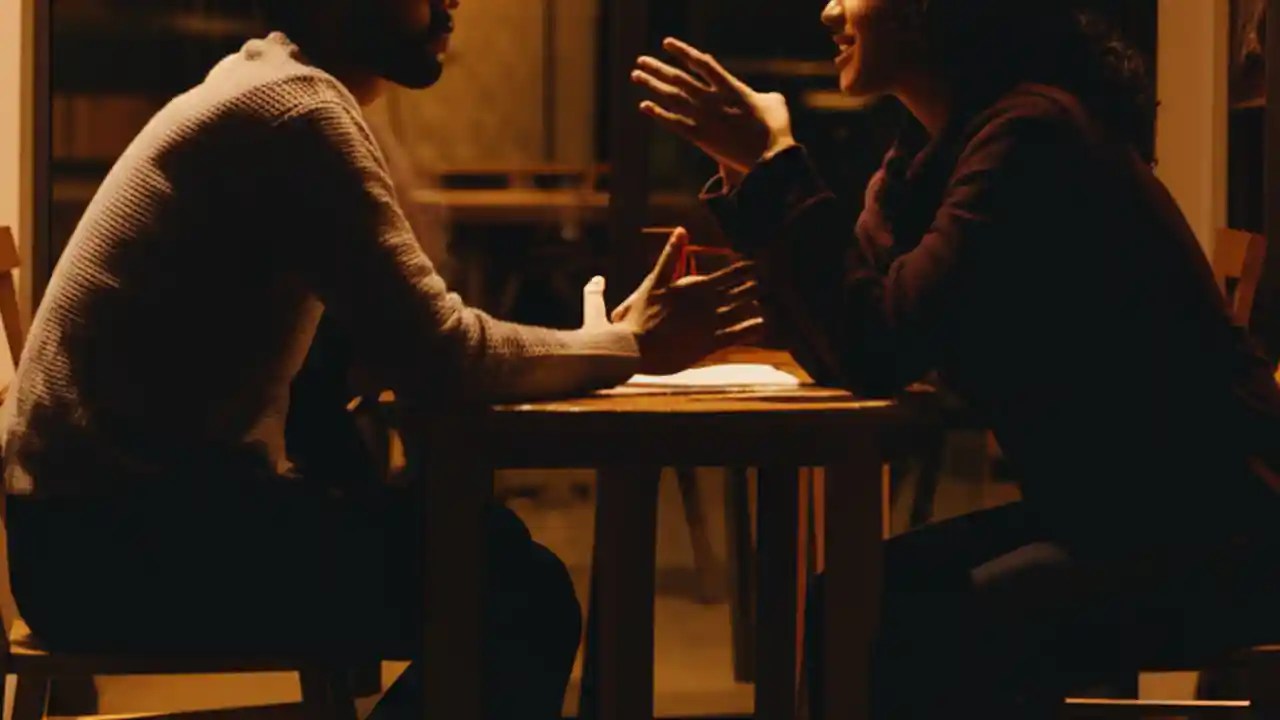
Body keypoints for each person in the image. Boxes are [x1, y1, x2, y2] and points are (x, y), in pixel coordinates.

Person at [0, 0, 763, 718]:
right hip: (122, 552)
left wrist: (604, 342)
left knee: (488, 553)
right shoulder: (297, 111)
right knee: (515, 592)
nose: (450, 3)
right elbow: (445, 355)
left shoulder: (269, 88)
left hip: (88, 535)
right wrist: (628, 346)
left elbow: (406, 339)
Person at [631, 0, 1280, 717]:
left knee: (897, 626)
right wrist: (747, 167)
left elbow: (877, 344)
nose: (829, 10)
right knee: (848, 603)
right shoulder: (940, 151)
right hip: (1121, 513)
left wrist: (774, 165)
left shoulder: (1031, 136)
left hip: (1220, 533)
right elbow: (852, 334)